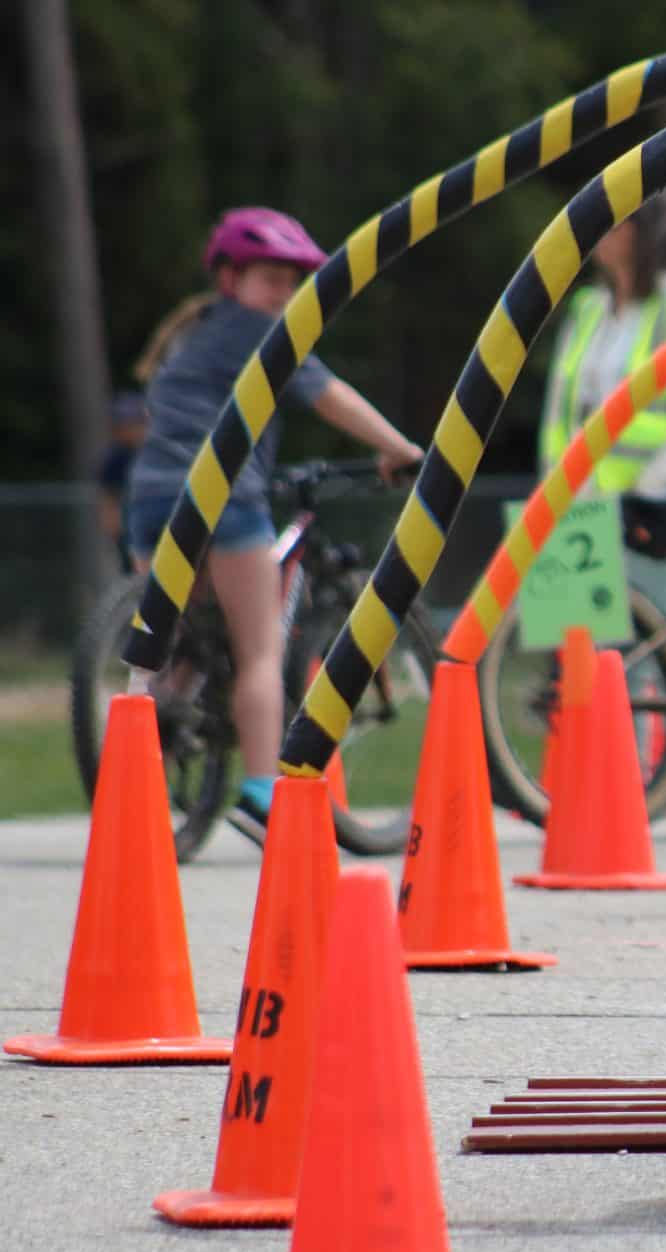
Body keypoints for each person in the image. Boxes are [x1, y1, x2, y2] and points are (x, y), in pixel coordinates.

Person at [126, 207, 422, 836]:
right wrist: (400, 449)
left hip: (151, 499)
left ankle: (139, 765)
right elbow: (330, 397)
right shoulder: (261, 334)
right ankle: (262, 792)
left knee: (172, 642)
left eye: (293, 282)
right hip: (222, 499)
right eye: (270, 279)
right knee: (260, 649)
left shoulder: (193, 334)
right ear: (230, 279)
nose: (284, 294)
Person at [538, 188, 666, 622]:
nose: (601, 231)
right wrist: (552, 489)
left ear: (647, 232)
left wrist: (647, 487)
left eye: (616, 221)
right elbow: (559, 414)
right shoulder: (588, 309)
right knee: (573, 654)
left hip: (648, 507)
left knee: (641, 666)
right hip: (576, 504)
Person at [97, 391, 147, 572]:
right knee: (133, 571)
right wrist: (111, 523)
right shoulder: (116, 458)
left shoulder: (157, 453)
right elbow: (109, 495)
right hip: (129, 526)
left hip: (157, 520)